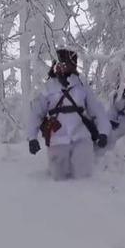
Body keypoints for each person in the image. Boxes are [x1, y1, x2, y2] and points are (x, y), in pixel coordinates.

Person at [27, 48, 110, 180]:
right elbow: (36, 114)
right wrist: (32, 138)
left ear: (72, 65)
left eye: (65, 63)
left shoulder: (81, 85)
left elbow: (97, 110)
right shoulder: (48, 87)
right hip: (57, 141)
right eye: (59, 62)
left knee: (84, 179)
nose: (61, 66)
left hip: (81, 139)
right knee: (58, 180)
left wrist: (103, 132)